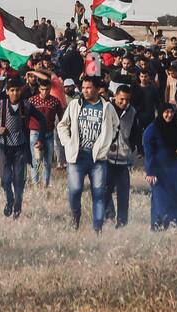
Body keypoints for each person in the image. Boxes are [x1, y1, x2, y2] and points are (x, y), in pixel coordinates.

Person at [57, 74, 118, 232]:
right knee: (75, 190)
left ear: (97, 89)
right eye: (83, 87)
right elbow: (62, 125)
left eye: (89, 87)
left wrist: (107, 143)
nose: (85, 90)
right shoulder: (75, 105)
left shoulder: (107, 107)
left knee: (98, 193)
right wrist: (67, 143)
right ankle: (75, 216)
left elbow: (116, 126)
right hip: (77, 156)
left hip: (98, 158)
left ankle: (97, 228)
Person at [142, 104, 177, 228]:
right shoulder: (152, 129)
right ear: (160, 112)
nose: (169, 115)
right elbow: (148, 153)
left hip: (174, 170)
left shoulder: (175, 128)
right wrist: (150, 172)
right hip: (158, 171)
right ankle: (159, 228)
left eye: (171, 112)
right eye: (166, 112)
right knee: (161, 201)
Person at [0, 77, 33, 218]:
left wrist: (40, 137)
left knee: (18, 179)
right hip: (4, 147)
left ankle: (18, 205)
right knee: (5, 179)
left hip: (20, 148)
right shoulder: (0, 105)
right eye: (12, 90)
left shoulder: (26, 105)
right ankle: (9, 200)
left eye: (17, 90)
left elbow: (41, 119)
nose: (15, 93)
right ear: (7, 92)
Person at [103, 84, 139, 227]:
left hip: (124, 159)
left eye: (127, 100)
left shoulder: (132, 111)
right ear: (115, 96)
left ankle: (122, 223)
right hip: (106, 158)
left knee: (124, 195)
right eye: (121, 99)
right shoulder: (105, 108)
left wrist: (135, 148)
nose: (124, 103)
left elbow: (135, 132)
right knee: (105, 191)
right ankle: (108, 216)